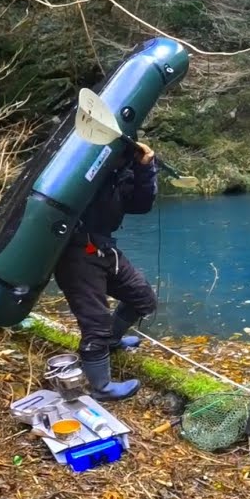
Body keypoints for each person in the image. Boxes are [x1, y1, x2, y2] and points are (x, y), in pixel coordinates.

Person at [52, 140, 160, 401]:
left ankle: (112, 341)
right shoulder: (86, 163)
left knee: (142, 297)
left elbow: (141, 205)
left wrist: (145, 167)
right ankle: (102, 388)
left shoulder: (123, 170)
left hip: (104, 247)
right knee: (95, 323)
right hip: (75, 252)